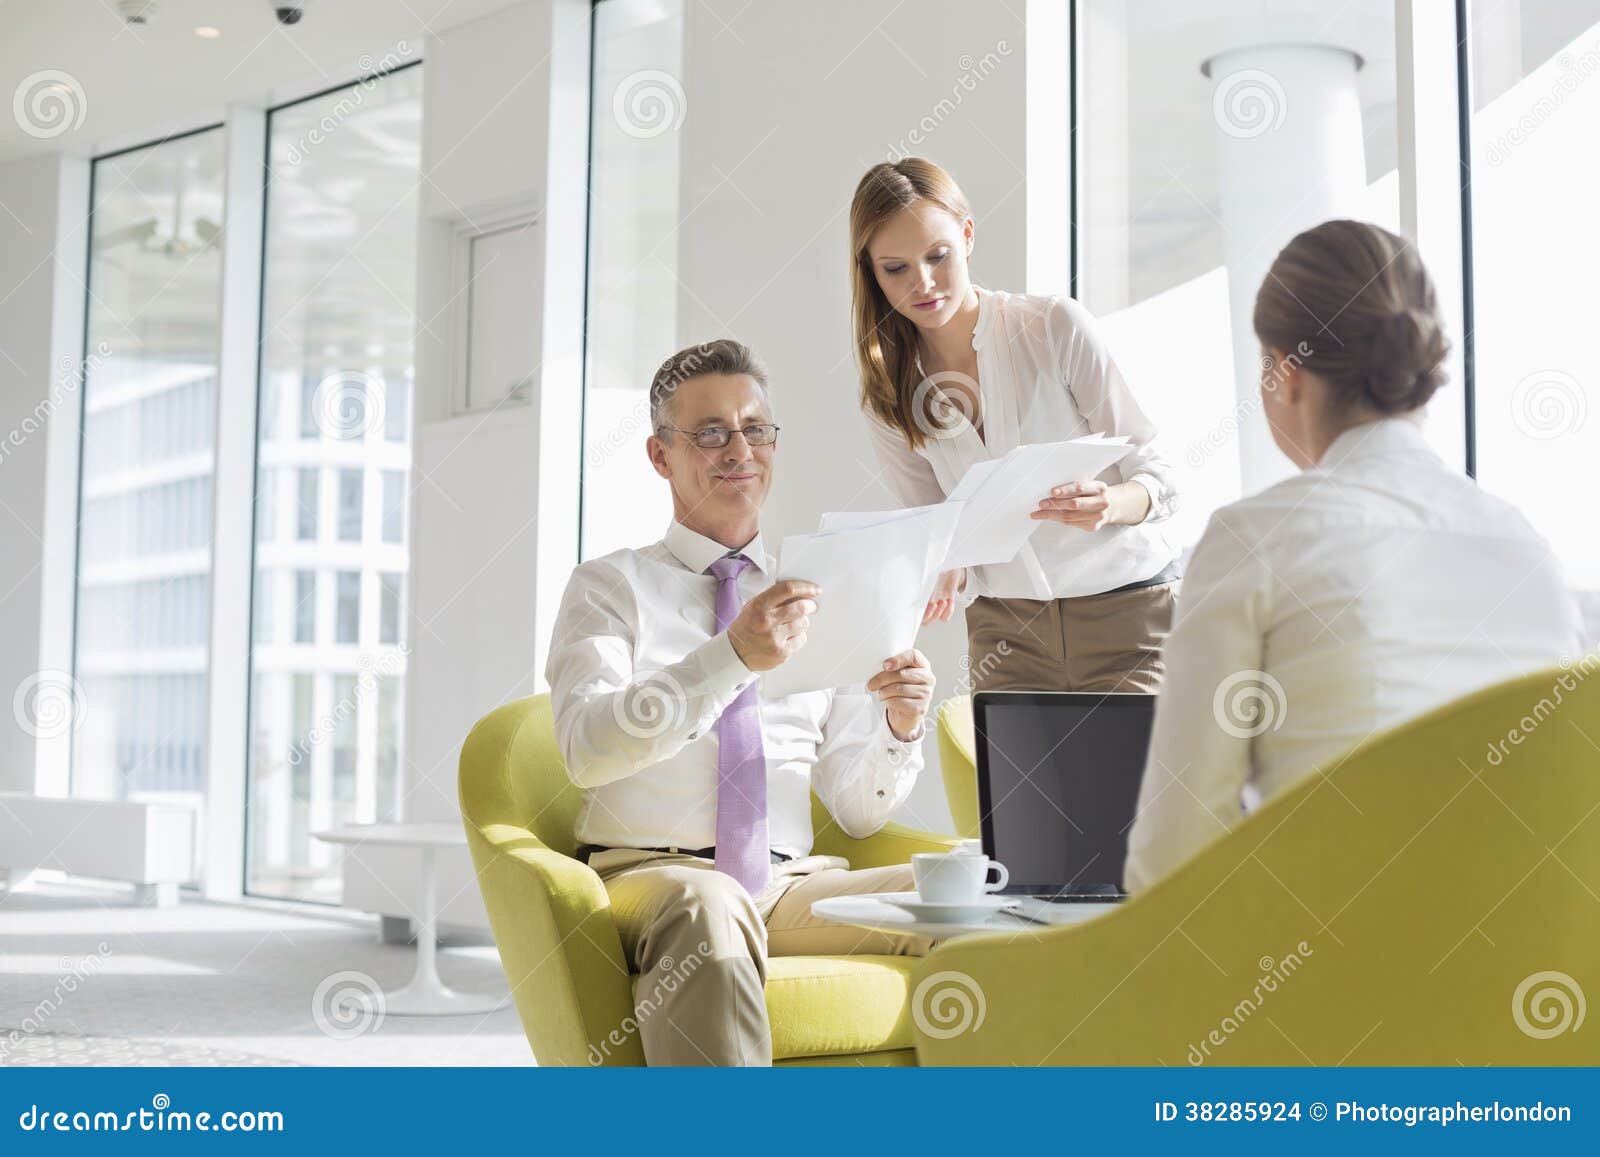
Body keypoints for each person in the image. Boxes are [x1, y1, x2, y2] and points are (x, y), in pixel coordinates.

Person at [1123, 220, 1580, 891]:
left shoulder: (1255, 539)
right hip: (1522, 947)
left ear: (1286, 375)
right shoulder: (1528, 548)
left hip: (1328, 949)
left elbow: (1173, 864)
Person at [546, 338, 938, 1066]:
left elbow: (858, 811)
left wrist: (899, 725)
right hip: (653, 878)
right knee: (709, 902)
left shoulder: (819, 589)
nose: (739, 450)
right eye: (711, 433)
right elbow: (587, 750)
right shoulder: (609, 587)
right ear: (661, 456)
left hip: (788, 887)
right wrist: (731, 658)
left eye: (755, 429)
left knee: (969, 895)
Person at [849, 157, 1180, 694]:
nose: (923, 283)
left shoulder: (1053, 327)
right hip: (1007, 633)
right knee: (1006, 758)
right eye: (895, 268)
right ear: (870, 271)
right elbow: (934, 532)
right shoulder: (888, 396)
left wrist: (1111, 503)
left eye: (937, 256)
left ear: (967, 236)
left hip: (1129, 611)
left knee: (1138, 755)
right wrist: (944, 567)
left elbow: (1158, 469)